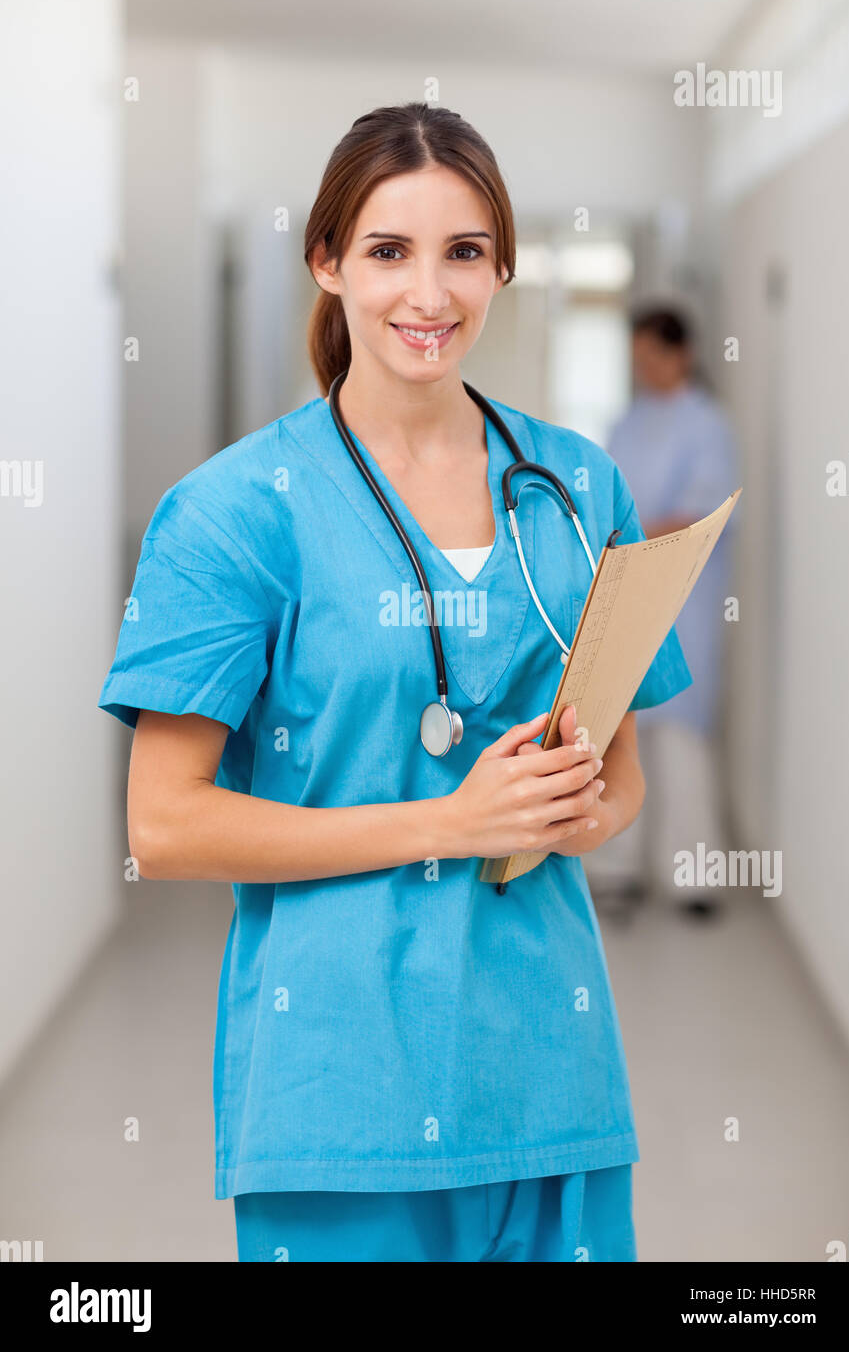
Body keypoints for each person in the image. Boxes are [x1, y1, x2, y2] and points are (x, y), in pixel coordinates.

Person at [97, 103, 692, 1263]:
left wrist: (576, 809)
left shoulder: (575, 486)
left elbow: (615, 781)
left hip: (548, 1071)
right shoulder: (231, 510)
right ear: (326, 263)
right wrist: (450, 820)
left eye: (463, 252)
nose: (430, 294)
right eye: (387, 251)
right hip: (337, 1086)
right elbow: (163, 826)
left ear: (501, 266)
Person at [587, 305, 739, 918]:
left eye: (653, 356)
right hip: (628, 591)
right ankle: (617, 867)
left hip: (687, 598)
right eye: (637, 357)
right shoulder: (628, 420)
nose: (643, 367)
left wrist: (634, 538)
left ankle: (692, 875)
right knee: (625, 729)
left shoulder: (707, 426)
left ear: (683, 355)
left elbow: (704, 510)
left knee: (680, 735)